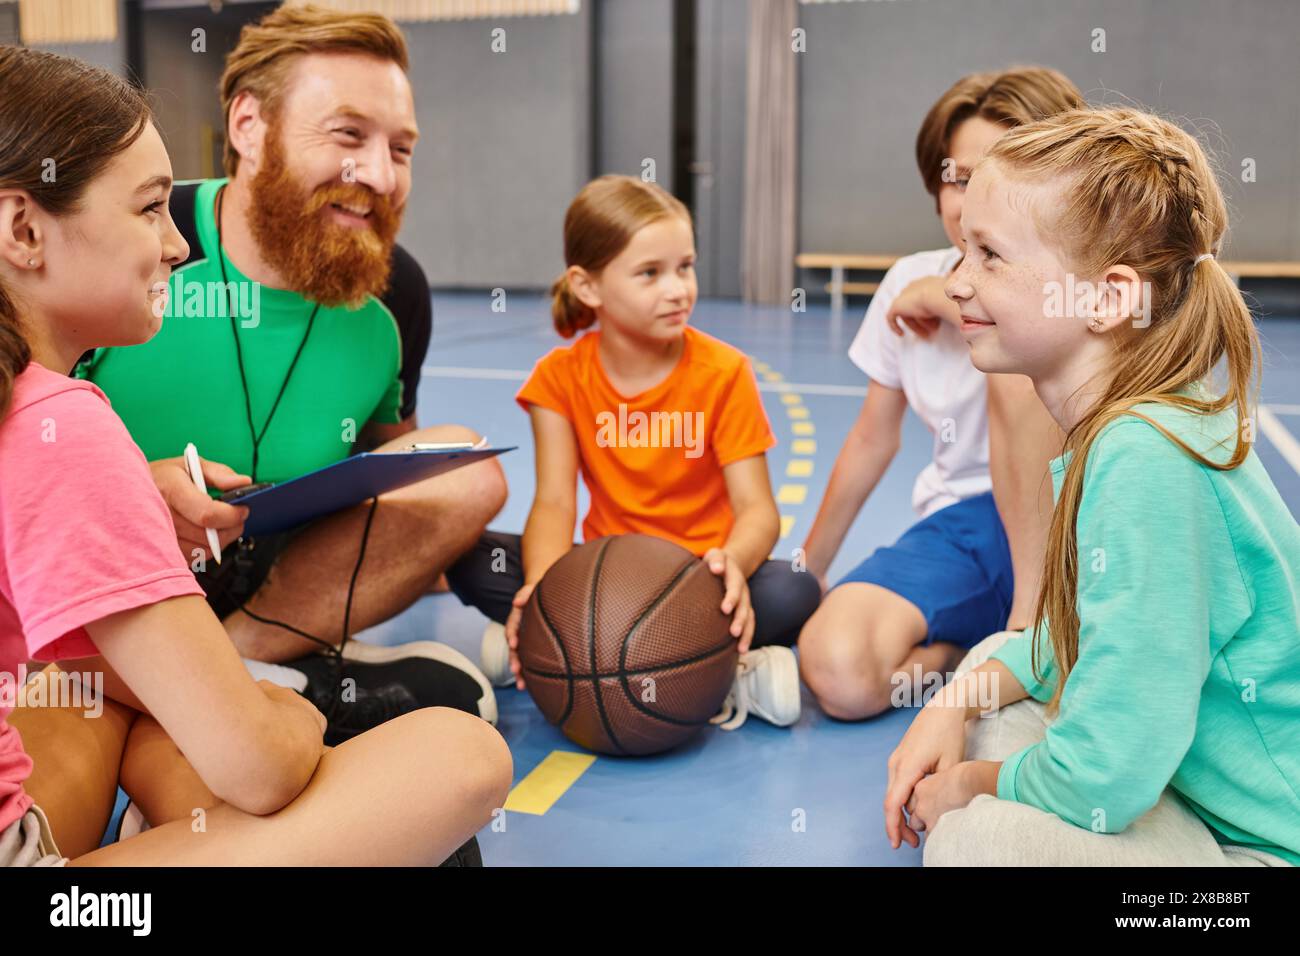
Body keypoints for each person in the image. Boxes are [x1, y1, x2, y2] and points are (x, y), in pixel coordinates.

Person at [0, 46, 511, 867]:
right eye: (147, 210)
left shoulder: (385, 301)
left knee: (110, 707)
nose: (174, 244)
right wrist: (284, 718)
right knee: (461, 756)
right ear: (24, 229)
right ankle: (237, 700)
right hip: (156, 662)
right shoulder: (66, 419)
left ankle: (215, 718)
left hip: (169, 615)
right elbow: (266, 769)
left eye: (401, 149)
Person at [74, 2, 504, 737]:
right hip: (117, 575)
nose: (378, 174)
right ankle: (206, 693)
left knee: (466, 468)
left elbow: (389, 466)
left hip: (276, 578)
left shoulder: (395, 291)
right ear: (249, 126)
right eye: (347, 135)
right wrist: (135, 485)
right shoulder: (145, 238)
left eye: (400, 150)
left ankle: (244, 664)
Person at [885, 106, 1299, 866]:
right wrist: (950, 701)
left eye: (989, 256)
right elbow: (1071, 638)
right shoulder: (1123, 430)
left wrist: (975, 786)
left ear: (1106, 299)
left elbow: (1110, 767)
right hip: (1186, 783)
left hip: (1267, 848)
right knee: (990, 666)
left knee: (984, 841)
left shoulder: (1146, 461)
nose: (957, 282)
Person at [447, 175, 822, 730]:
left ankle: (686, 667)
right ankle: (693, 660)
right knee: (468, 557)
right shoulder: (560, 377)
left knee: (793, 587)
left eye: (685, 267)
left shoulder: (723, 374)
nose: (678, 289)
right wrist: (543, 597)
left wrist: (733, 567)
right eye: (650, 273)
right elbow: (553, 502)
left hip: (700, 578)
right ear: (588, 286)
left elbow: (757, 510)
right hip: (604, 584)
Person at [797, 67, 1084, 721]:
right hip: (965, 530)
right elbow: (873, 438)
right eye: (958, 176)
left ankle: (1026, 634)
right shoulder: (911, 279)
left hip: (1079, 526)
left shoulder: (1081, 286)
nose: (971, 195)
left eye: (999, 173)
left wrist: (954, 305)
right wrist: (808, 569)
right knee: (839, 670)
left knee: (1016, 368)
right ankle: (961, 655)